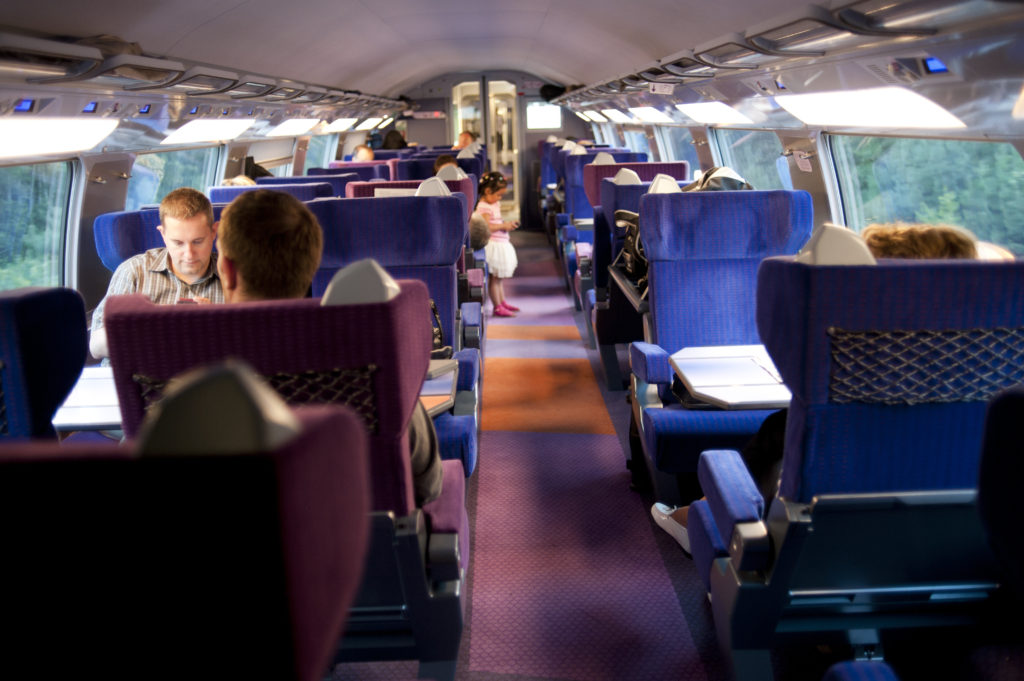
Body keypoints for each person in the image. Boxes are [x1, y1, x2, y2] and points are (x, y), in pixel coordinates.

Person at [651, 221, 981, 553]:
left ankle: (704, 521)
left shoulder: (847, 357)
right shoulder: (990, 364)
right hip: (967, 540)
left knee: (782, 429)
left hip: (831, 547)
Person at [216, 189, 444, 506]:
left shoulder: (178, 361)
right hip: (362, 533)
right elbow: (427, 482)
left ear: (227, 271)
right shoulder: (363, 358)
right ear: (310, 268)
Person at [89, 187, 222, 359]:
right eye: (178, 243)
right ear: (163, 234)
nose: (189, 254)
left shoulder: (236, 275)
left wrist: (217, 323)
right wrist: (150, 324)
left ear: (213, 232)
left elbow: (252, 345)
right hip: (140, 373)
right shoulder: (134, 271)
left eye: (198, 241)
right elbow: (96, 347)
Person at [475, 171, 519, 317]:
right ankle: (497, 306)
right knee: (495, 278)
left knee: (499, 278)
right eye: (498, 195)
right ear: (488, 191)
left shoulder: (493, 203)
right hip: (493, 245)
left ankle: (502, 301)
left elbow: (496, 221)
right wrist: (503, 226)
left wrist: (506, 224)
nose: (500, 198)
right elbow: (486, 227)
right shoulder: (484, 206)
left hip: (500, 242)